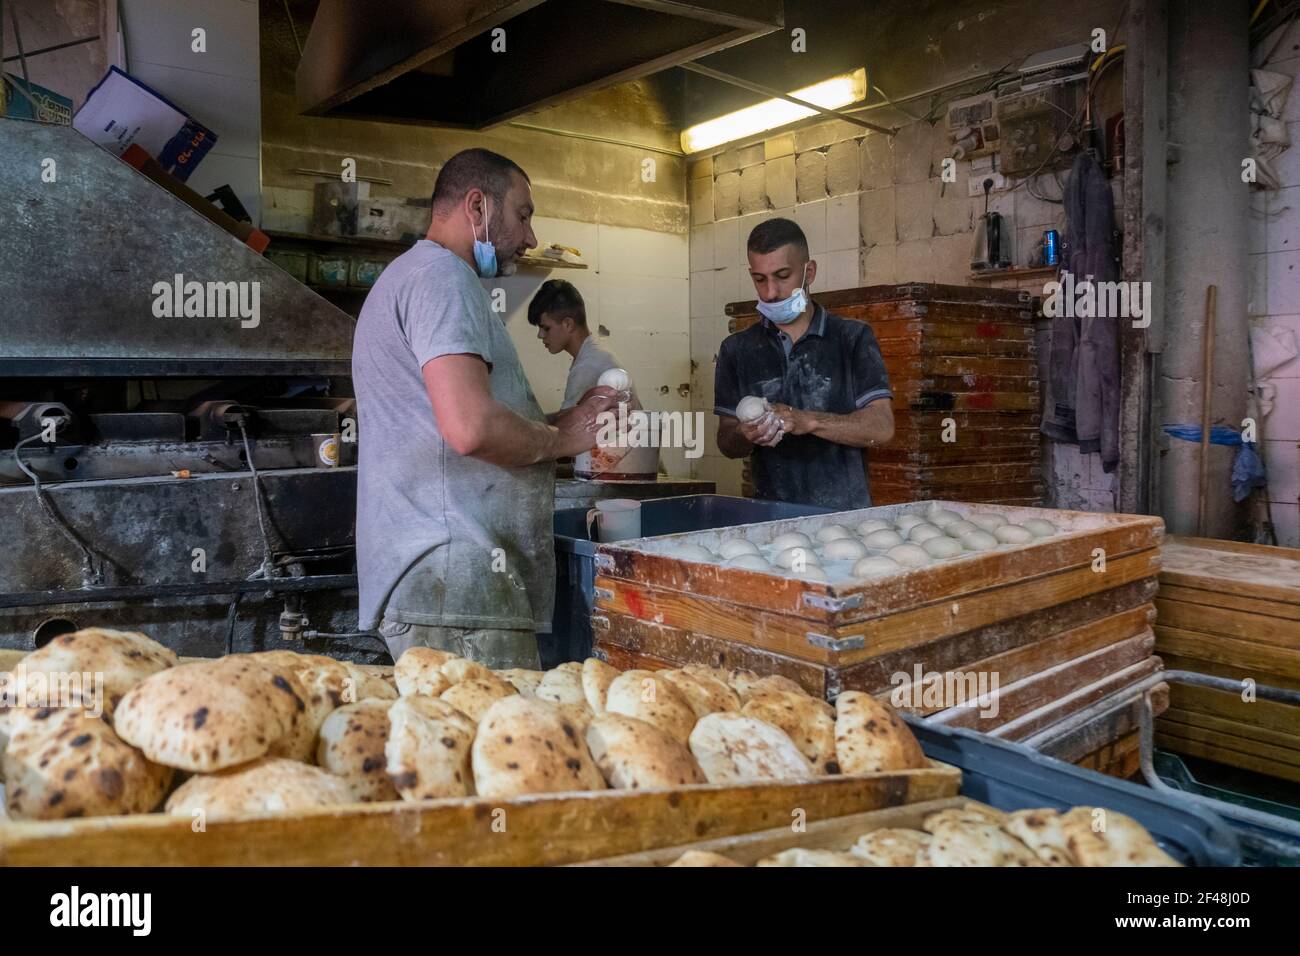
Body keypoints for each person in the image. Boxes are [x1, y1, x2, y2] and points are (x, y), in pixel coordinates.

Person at [352, 148, 617, 667]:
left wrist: (565, 421)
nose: (531, 237)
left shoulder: (412, 276)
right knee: (508, 744)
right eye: (523, 214)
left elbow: (452, 421)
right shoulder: (442, 279)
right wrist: (569, 440)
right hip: (456, 574)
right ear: (477, 206)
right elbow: (471, 428)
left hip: (447, 580)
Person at [714, 217, 894, 510]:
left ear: (808, 272)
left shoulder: (852, 338)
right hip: (771, 517)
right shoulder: (737, 349)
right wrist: (744, 434)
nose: (771, 292)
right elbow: (726, 443)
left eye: (782, 276)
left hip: (844, 519)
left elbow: (882, 428)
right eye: (760, 279)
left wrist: (807, 420)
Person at [527, 278, 659, 480]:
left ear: (568, 324)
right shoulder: (595, 351)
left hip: (626, 470)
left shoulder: (588, 365)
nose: (540, 335)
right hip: (627, 463)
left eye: (546, 328)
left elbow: (565, 435)